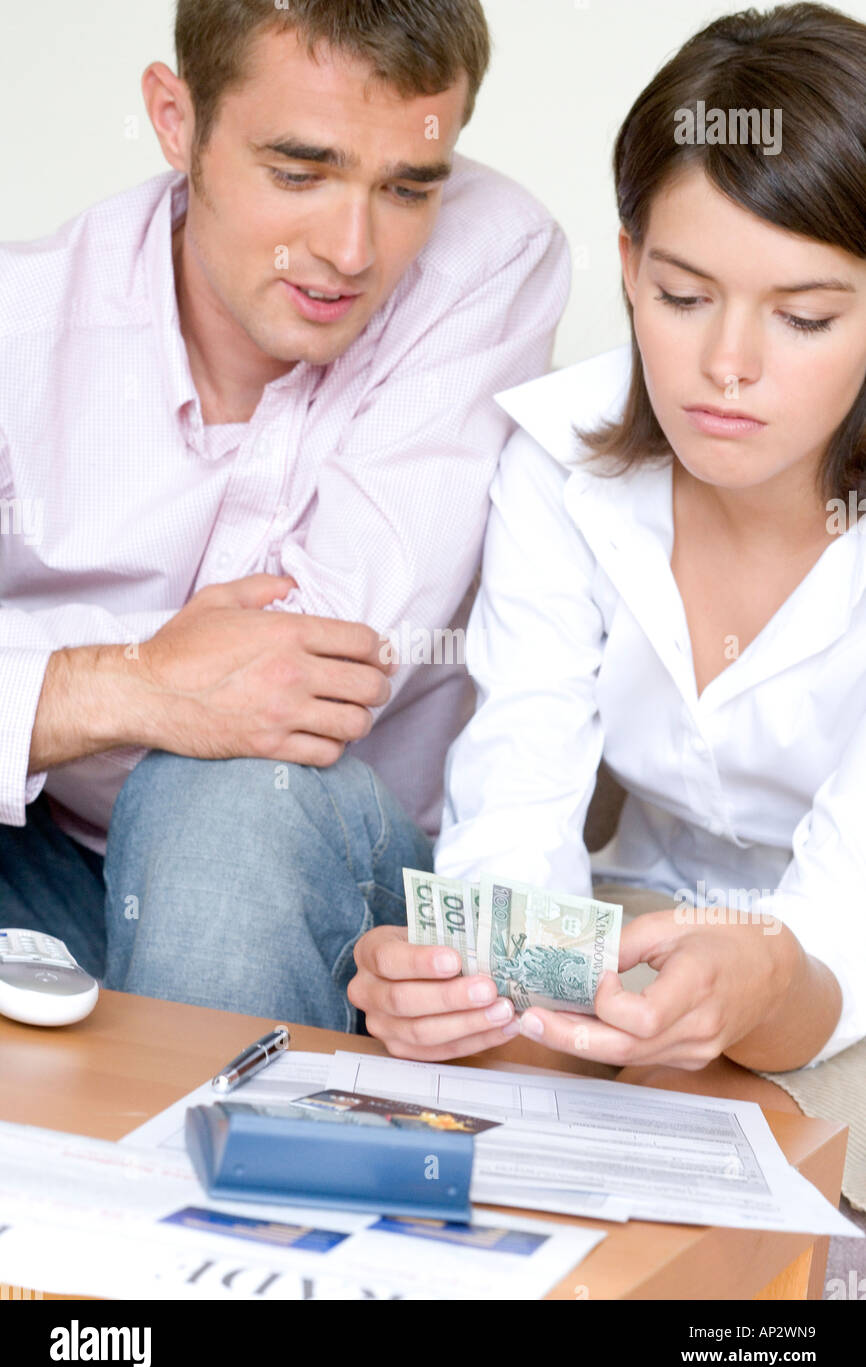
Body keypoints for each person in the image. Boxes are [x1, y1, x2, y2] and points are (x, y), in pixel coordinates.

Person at [349, 2, 866, 1214]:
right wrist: (477, 975)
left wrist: (757, 986)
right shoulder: (559, 461)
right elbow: (518, 791)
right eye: (682, 296)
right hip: (638, 928)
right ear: (628, 265)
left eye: (802, 318)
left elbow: (844, 923)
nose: (726, 364)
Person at [0, 0, 569, 1028]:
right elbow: (209, 684)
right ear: (175, 121)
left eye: (405, 187)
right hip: (42, 862)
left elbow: (298, 676)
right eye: (299, 172)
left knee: (226, 785)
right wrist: (135, 685)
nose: (350, 250)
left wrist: (48, 690)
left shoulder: (490, 252)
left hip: (315, 870)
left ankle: (198, 1187)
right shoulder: (21, 326)